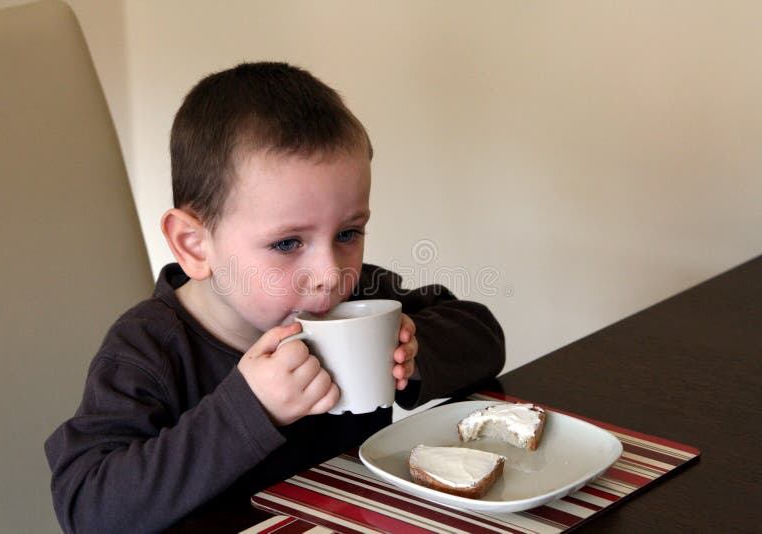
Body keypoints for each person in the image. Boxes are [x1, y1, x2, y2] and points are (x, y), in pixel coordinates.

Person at [45, 62, 505, 533]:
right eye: (287, 243)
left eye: (348, 233)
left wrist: (414, 354)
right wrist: (248, 409)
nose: (330, 274)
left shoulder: (357, 299)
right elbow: (88, 508)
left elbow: (483, 335)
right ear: (194, 245)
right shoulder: (148, 351)